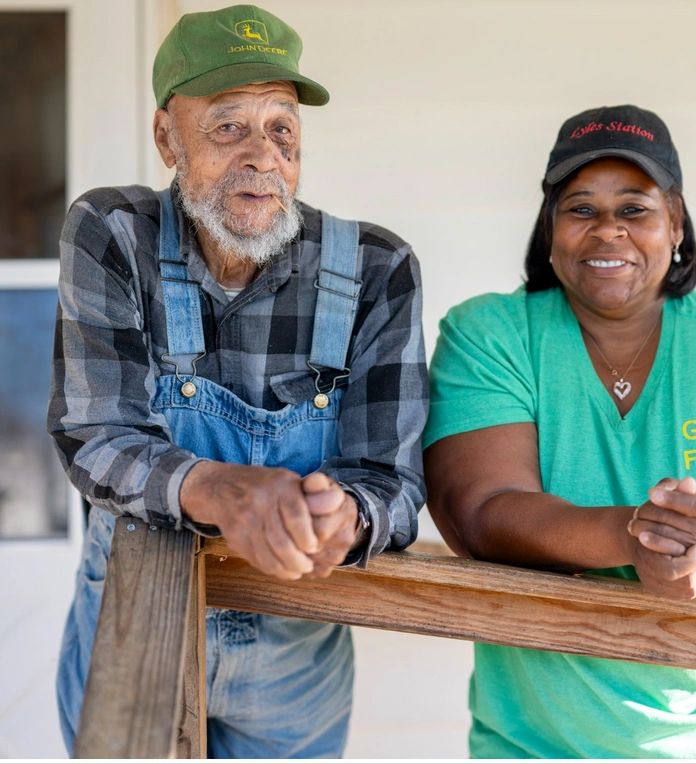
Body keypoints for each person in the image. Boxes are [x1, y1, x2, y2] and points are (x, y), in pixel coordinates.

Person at [48, 4, 427, 758]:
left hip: (297, 646)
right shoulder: (112, 234)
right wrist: (224, 489)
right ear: (167, 137)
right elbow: (94, 434)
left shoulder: (378, 268)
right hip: (135, 616)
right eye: (228, 127)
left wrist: (341, 516)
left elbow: (393, 480)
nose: (262, 156)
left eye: (281, 129)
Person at [423, 104, 696, 759]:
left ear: (675, 223)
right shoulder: (492, 336)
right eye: (581, 209)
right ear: (551, 229)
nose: (607, 232)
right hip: (546, 738)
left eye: (635, 209)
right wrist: (634, 534)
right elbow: (479, 513)